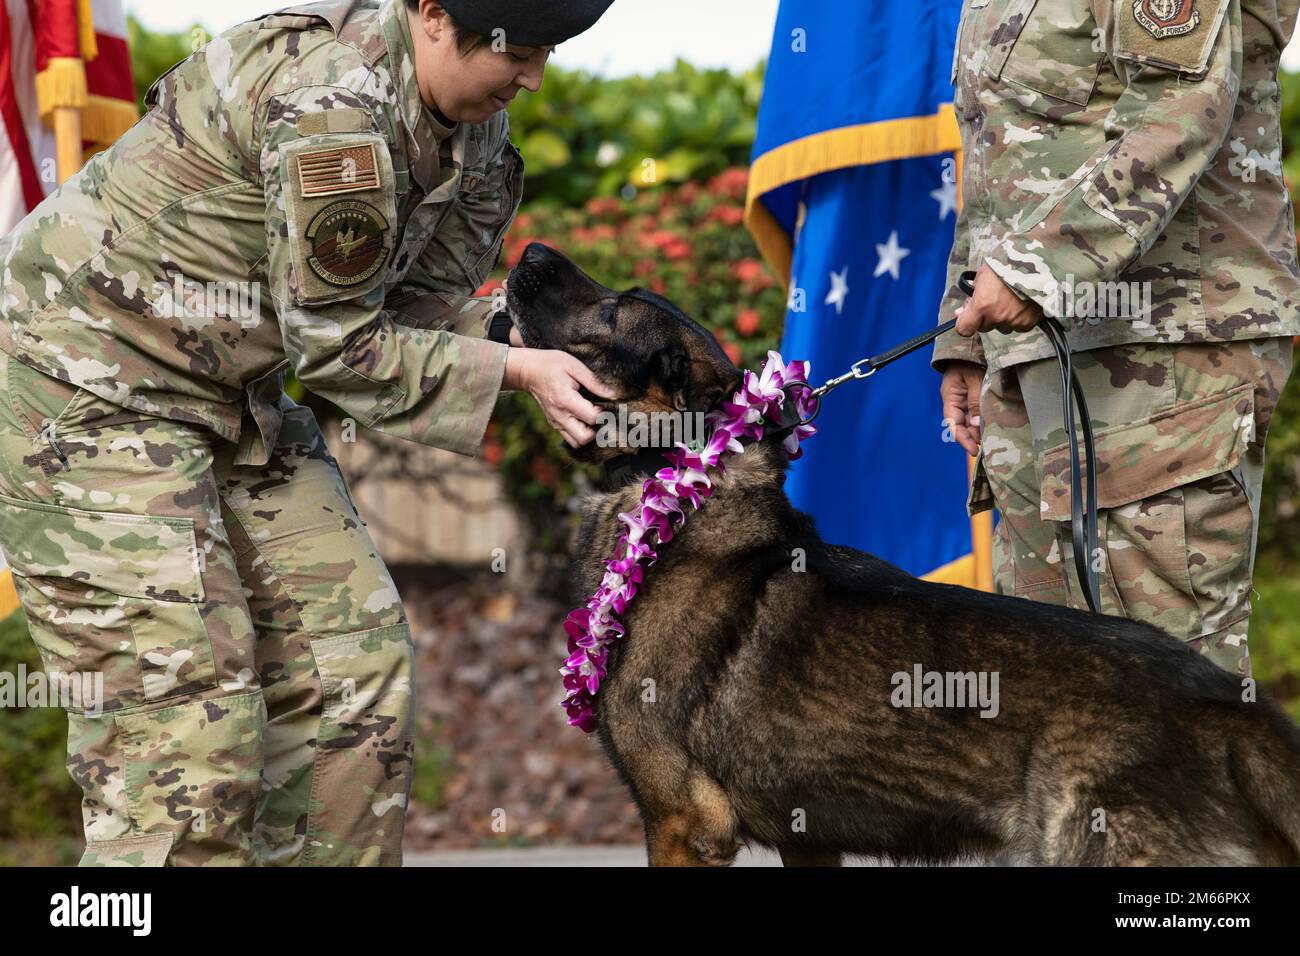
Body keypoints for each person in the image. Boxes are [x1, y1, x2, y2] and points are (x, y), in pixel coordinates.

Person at [0, 0, 615, 866]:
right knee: (184, 741)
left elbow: (409, 310)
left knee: (351, 678)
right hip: (87, 389)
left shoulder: (471, 125)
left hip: (230, 394)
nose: (535, 77)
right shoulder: (333, 105)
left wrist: (544, 346)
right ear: (433, 14)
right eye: (518, 51)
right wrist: (516, 375)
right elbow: (339, 349)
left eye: (548, 50)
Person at [933, 0, 1299, 678]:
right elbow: (1001, 163)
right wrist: (965, 336)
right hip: (1035, 352)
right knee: (1049, 685)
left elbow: (1178, 107)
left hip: (1163, 350)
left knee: (1165, 692)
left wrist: (1035, 268)